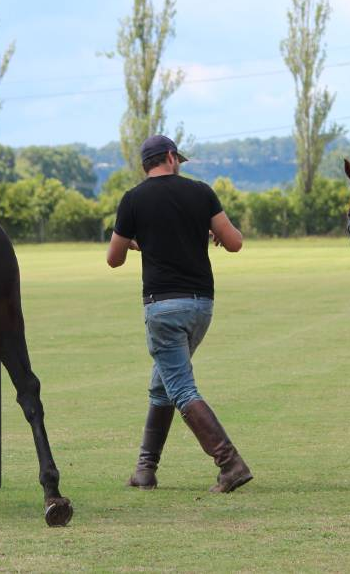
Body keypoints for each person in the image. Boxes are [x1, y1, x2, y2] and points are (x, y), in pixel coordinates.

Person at [106, 134, 253, 493]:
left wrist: (143, 242)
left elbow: (114, 257)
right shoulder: (201, 192)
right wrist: (204, 231)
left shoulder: (132, 200)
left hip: (162, 308)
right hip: (201, 305)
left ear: (147, 164)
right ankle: (145, 469)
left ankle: (229, 462)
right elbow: (234, 242)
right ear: (171, 157)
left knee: (181, 388)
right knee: (163, 385)